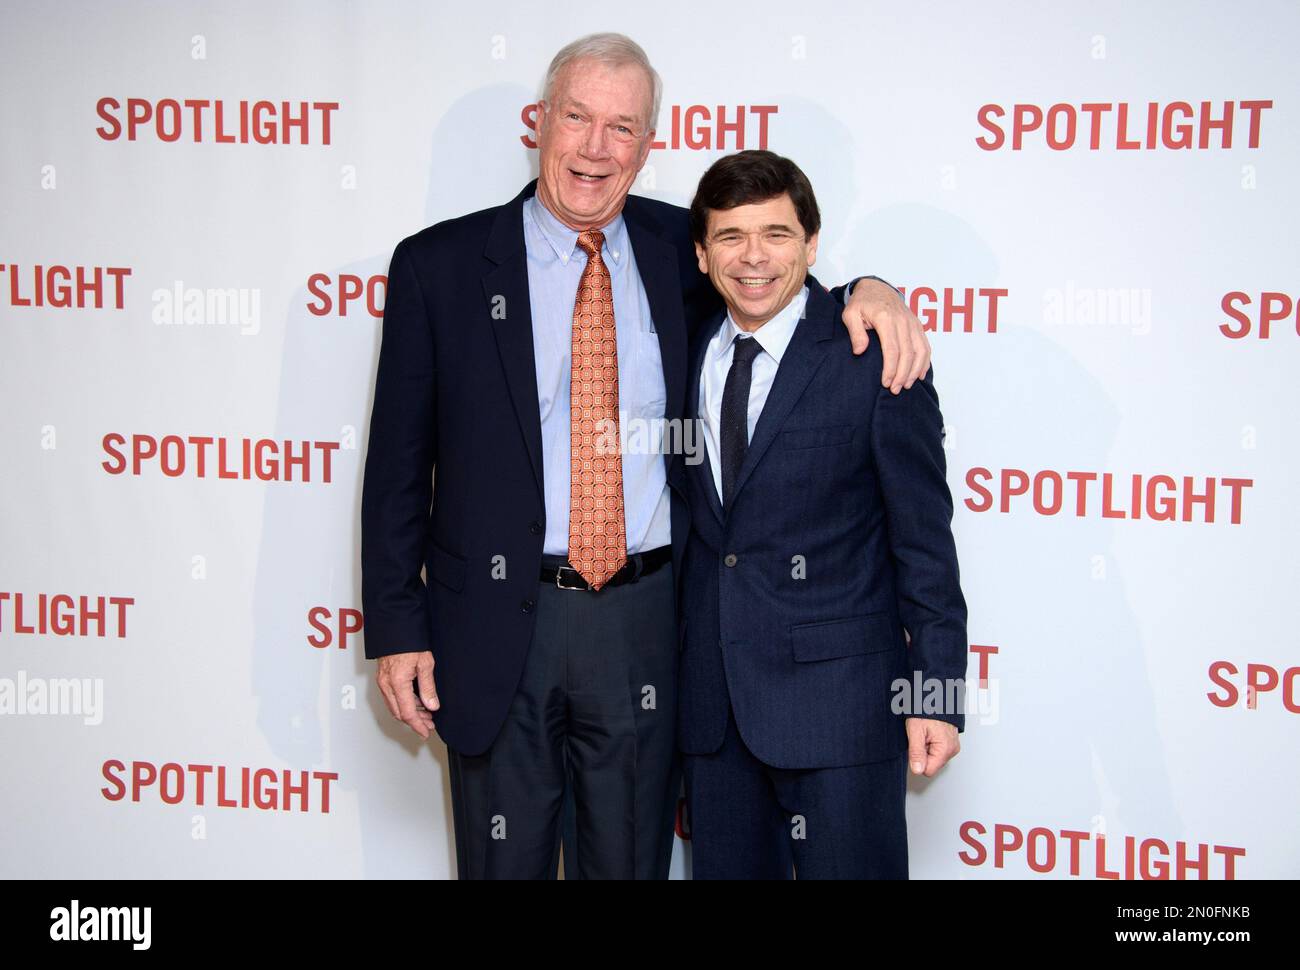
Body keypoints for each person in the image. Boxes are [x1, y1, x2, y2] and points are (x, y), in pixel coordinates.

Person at [361, 32, 932, 880]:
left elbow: (776, 287)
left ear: (648, 143)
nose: (596, 148)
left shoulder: (681, 249)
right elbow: (396, 471)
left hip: (646, 623)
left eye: (622, 127)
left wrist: (871, 290)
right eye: (578, 118)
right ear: (541, 123)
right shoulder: (437, 267)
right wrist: (397, 630)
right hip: (492, 621)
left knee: (628, 867)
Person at [679, 150, 967, 879]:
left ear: (811, 245)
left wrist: (936, 696)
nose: (753, 257)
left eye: (776, 235)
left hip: (843, 713)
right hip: (713, 720)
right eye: (730, 237)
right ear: (702, 255)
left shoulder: (873, 357)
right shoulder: (685, 350)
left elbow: (924, 542)